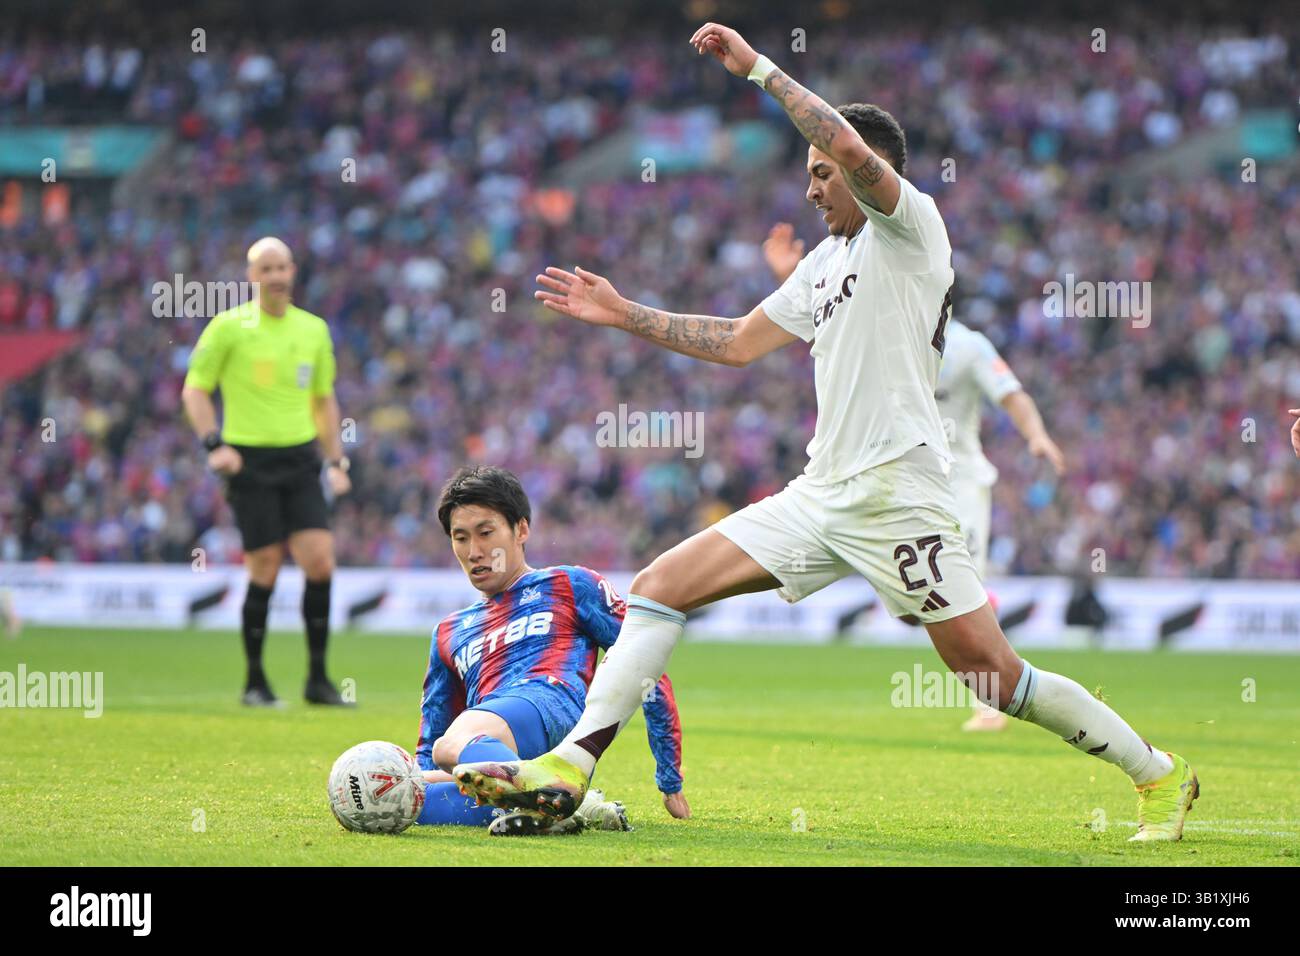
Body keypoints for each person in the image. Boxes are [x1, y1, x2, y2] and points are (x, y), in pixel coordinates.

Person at [455, 23, 1198, 843]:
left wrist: (760, 71)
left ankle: (1156, 774)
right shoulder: (822, 263)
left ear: (857, 169)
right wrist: (623, 311)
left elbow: (842, 138)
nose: (810, 189)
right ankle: (569, 766)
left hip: (900, 495)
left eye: (820, 174)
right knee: (660, 585)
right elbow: (738, 344)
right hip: (820, 495)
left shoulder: (911, 230)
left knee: (991, 678)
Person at [764, 223, 1066, 732]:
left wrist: (1035, 435)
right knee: (911, 608)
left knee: (964, 585)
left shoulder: (968, 347)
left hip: (959, 481)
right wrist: (795, 278)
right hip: (901, 478)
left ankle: (993, 699)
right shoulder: (892, 330)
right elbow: (838, 327)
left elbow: (1012, 392)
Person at [419, 465, 688, 835]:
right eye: (460, 537)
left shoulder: (570, 584)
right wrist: (410, 782)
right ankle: (560, 805)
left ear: (521, 529)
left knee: (450, 744)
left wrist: (669, 775)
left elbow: (645, 663)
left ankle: (553, 789)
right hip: (490, 748)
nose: (474, 551)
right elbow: (430, 736)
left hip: (551, 707)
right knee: (409, 798)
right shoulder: (448, 631)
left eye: (486, 532)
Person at [181, 237, 352, 708]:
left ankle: (317, 681)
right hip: (249, 460)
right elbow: (195, 390)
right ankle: (255, 682)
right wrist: (214, 444)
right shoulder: (227, 328)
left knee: (320, 561)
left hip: (300, 458)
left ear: (293, 271)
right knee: (266, 567)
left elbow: (323, 399)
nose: (276, 276)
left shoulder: (313, 330)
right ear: (252, 275)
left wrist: (336, 461)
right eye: (266, 268)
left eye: (282, 267)